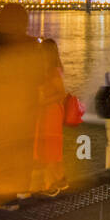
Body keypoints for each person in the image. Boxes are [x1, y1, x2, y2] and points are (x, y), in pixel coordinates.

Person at [0, 4, 43, 202]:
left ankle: (6, 196)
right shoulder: (33, 45)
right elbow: (39, 82)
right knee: (23, 151)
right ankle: (23, 191)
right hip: (26, 110)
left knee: (1, 152)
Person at [33, 38, 70, 194]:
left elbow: (61, 94)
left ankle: (51, 185)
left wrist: (43, 102)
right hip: (46, 112)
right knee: (47, 147)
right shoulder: (46, 69)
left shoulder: (53, 71)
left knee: (49, 148)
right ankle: (57, 181)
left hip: (51, 112)